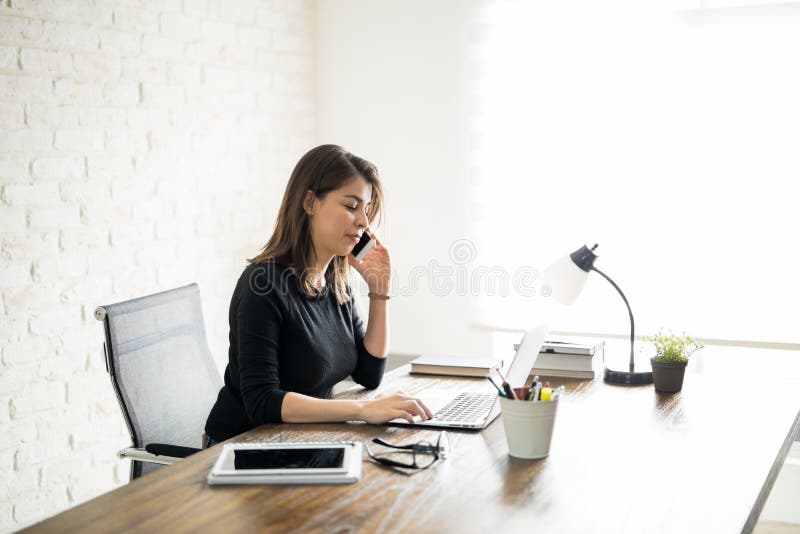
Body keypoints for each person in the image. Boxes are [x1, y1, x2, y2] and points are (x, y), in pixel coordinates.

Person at [204, 144, 433, 445]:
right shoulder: (261, 284)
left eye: (367, 210)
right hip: (242, 451)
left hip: (302, 442)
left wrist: (379, 292)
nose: (364, 222)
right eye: (351, 206)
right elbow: (263, 401)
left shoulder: (335, 282)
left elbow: (369, 372)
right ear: (310, 202)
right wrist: (362, 410)